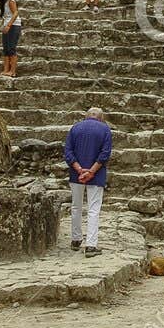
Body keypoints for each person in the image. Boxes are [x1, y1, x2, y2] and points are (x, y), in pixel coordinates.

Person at [64, 107, 112, 256]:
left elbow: (68, 151)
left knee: (76, 206)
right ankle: (91, 245)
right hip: (96, 175)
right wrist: (91, 171)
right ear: (101, 117)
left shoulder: (75, 128)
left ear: (86, 116)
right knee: (93, 209)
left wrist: (79, 169)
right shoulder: (105, 130)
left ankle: (76, 239)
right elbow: (105, 153)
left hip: (76, 174)